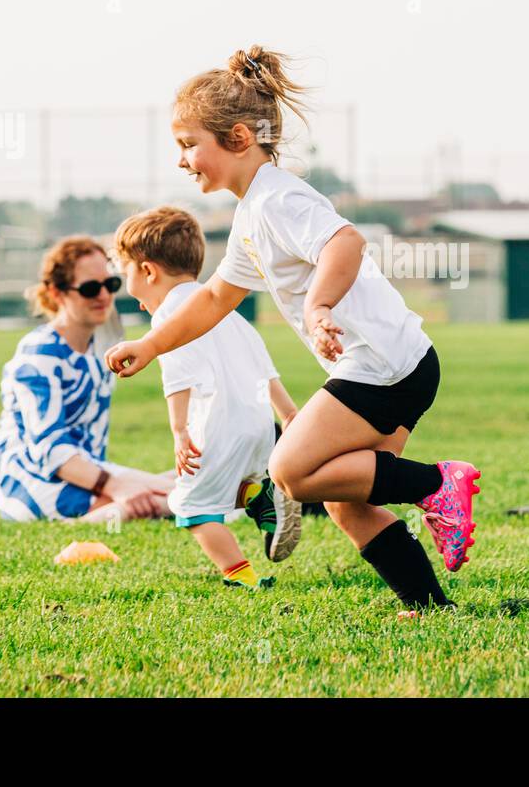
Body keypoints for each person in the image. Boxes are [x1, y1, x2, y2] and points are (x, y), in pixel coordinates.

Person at [105, 46, 478, 614]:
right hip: (401, 363)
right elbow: (213, 298)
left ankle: (436, 485)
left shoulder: (278, 199)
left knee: (291, 470)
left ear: (236, 137)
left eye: (188, 145)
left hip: (381, 363)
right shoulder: (253, 213)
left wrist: (318, 306)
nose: (182, 161)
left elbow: (345, 241)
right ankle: (429, 606)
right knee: (341, 496)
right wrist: (152, 345)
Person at [114, 205, 301, 588]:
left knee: (191, 508)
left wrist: (180, 432)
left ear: (148, 271)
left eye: (125, 275)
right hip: (258, 428)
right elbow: (262, 365)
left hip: (216, 426)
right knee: (223, 488)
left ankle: (242, 576)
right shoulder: (226, 309)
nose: (130, 293)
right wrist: (289, 414)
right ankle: (257, 495)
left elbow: (177, 377)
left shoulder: (168, 318)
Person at [0, 235, 174, 522]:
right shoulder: (39, 354)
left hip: (88, 475)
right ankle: (226, 501)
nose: (103, 295)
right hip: (36, 484)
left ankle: (229, 491)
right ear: (56, 293)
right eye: (90, 288)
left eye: (110, 285)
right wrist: (116, 485)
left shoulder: (101, 344)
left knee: (174, 485)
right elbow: (49, 451)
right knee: (164, 499)